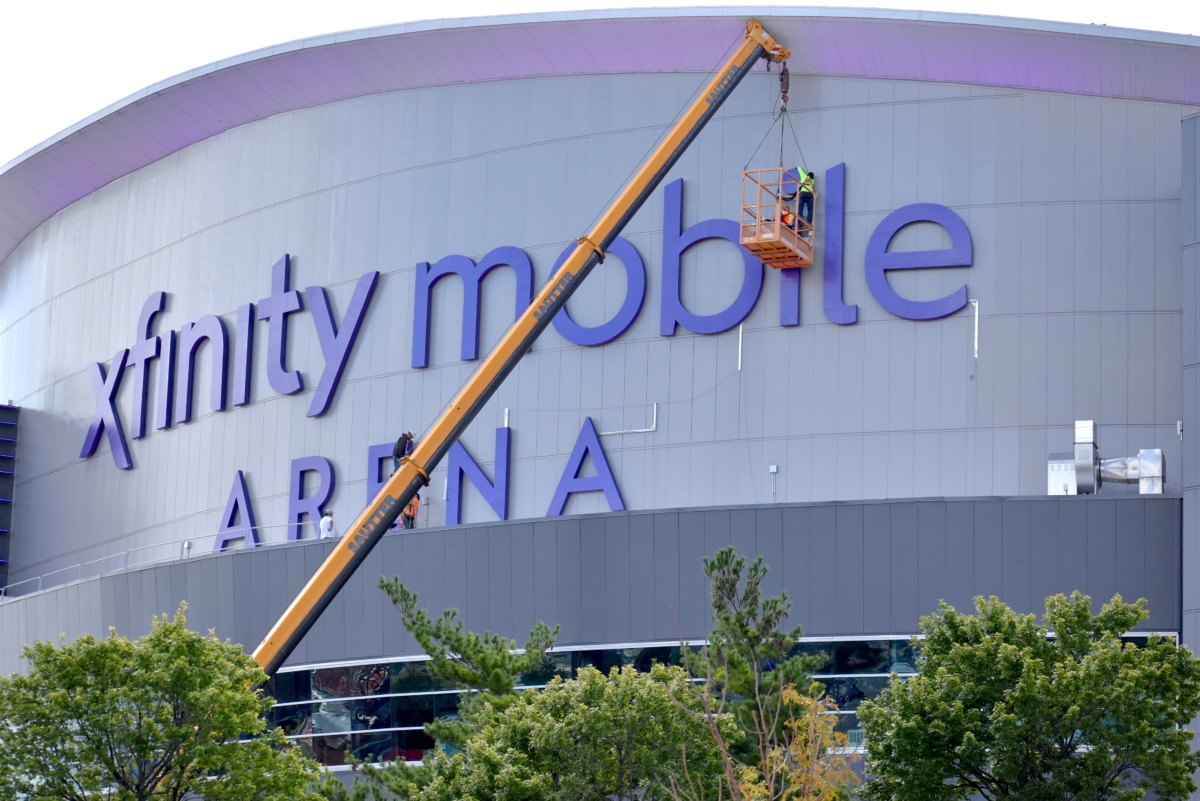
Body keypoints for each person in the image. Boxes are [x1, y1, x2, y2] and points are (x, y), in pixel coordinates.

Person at [797, 170, 816, 235]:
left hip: (802, 194)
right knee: (810, 209)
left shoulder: (804, 176)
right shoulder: (812, 181)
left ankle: (800, 223)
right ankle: (809, 223)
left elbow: (800, 169)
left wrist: (797, 168)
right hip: (810, 194)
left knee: (800, 208)